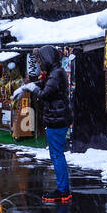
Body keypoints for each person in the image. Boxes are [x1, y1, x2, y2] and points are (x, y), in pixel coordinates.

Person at [33, 44, 72, 202]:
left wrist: (33, 88)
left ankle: (63, 190)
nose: (40, 63)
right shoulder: (56, 73)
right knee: (57, 155)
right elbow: (47, 87)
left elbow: (45, 94)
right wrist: (36, 85)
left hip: (57, 120)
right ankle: (63, 188)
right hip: (57, 118)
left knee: (57, 155)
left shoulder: (55, 74)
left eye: (41, 59)